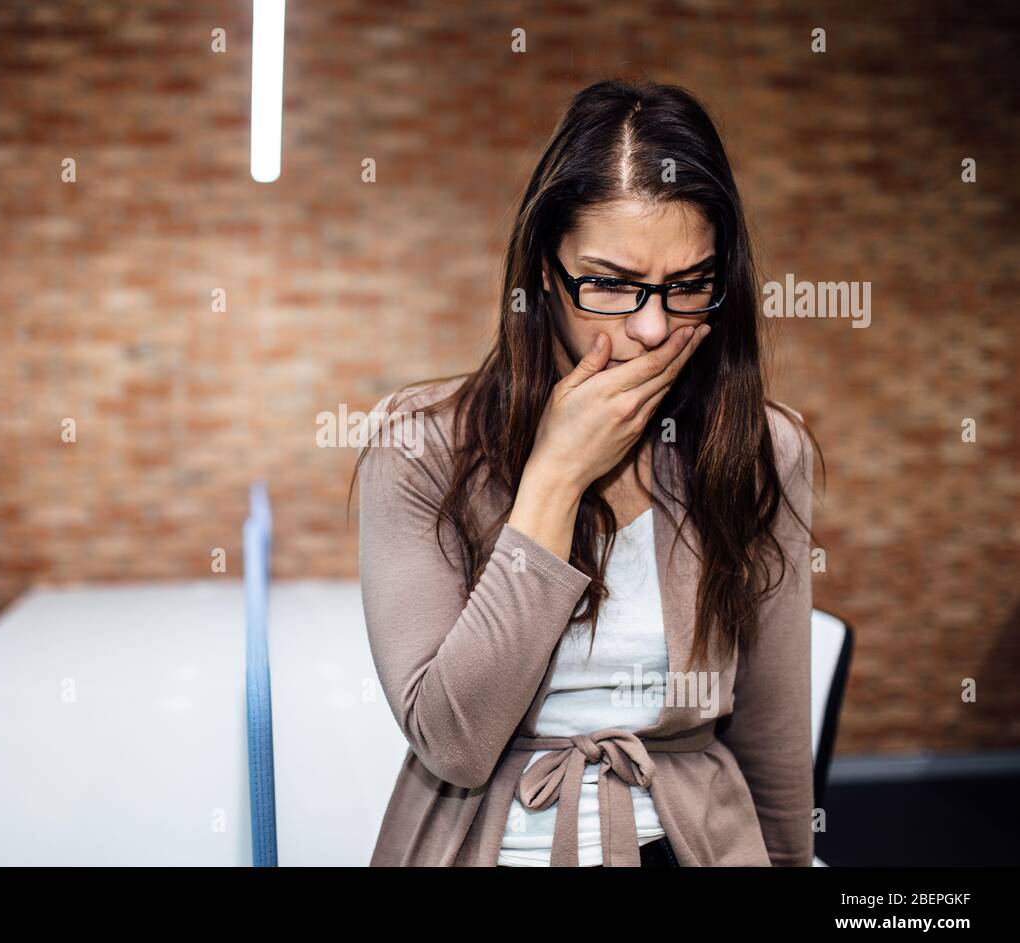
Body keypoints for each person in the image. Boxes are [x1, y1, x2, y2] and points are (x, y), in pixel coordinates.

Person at [351, 79, 823, 867]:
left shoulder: (764, 447)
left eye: (687, 286)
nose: (650, 327)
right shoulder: (419, 446)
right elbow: (455, 741)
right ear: (544, 270)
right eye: (608, 283)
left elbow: (774, 735)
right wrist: (555, 479)